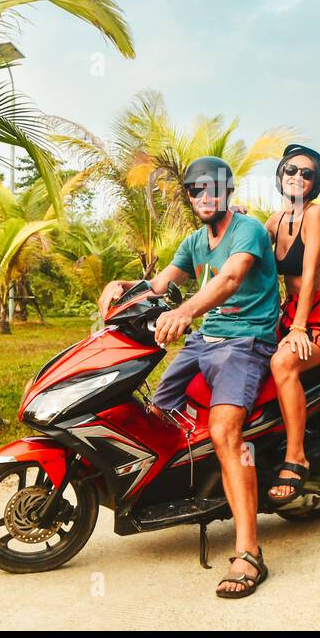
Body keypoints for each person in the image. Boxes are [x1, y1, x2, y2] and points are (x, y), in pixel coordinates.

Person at [96, 156, 279, 598]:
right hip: (205, 341)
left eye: (212, 188)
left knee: (225, 432)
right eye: (196, 190)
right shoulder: (196, 241)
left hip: (246, 342)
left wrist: (185, 311)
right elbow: (158, 283)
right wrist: (122, 287)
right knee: (158, 410)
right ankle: (188, 488)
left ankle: (249, 551)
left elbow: (231, 278)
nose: (204, 196)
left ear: (228, 192)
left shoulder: (247, 231)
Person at [263, 144, 320, 506]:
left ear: (315, 182)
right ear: (281, 175)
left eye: (306, 173)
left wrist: (298, 328)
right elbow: (245, 257)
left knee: (283, 363)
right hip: (290, 313)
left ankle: (296, 456)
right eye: (291, 170)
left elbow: (309, 274)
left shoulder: (315, 215)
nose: (297, 176)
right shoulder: (273, 221)